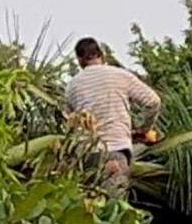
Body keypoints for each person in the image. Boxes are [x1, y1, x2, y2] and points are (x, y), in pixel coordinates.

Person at [62, 38, 161, 197]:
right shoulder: (120, 75)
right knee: (114, 209)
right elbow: (153, 102)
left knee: (90, 209)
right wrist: (144, 130)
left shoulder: (71, 87)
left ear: (80, 60)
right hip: (114, 151)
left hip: (85, 156)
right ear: (102, 54)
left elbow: (70, 124)